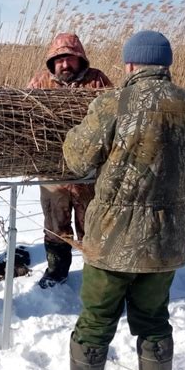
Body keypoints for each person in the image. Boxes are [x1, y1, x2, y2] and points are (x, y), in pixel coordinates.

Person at [63, 30, 185, 370]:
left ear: (130, 65)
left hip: (111, 238)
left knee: (95, 320)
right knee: (154, 319)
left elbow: (78, 159)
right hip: (164, 238)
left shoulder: (112, 102)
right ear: (167, 65)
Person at [27, 33, 111, 288]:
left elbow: (113, 116)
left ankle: (96, 275)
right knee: (55, 223)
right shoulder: (39, 83)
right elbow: (25, 121)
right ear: (52, 61)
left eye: (70, 59)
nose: (65, 65)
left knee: (93, 225)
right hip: (53, 171)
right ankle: (56, 271)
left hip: (90, 173)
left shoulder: (97, 80)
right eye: (60, 59)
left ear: (80, 59)